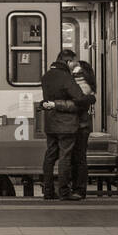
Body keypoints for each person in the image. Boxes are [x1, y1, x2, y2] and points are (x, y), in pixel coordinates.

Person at [40, 49, 94, 201]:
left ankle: (48, 191)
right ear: (68, 61)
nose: (74, 67)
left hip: (50, 123)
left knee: (50, 156)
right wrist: (90, 99)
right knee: (65, 157)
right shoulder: (66, 78)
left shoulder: (46, 76)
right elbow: (79, 98)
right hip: (66, 124)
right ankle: (64, 192)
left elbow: (48, 99)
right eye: (73, 63)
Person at [68, 58, 96, 197]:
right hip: (81, 126)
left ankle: (79, 189)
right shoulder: (87, 86)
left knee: (78, 158)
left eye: (77, 70)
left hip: (80, 126)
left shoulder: (83, 87)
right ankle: (78, 188)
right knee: (78, 157)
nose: (74, 73)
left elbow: (77, 101)